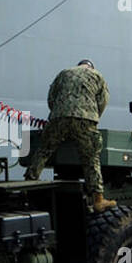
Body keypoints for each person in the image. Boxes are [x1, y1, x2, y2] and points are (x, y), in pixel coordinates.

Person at [22, 60, 115, 211]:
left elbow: (51, 97)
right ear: (91, 67)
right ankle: (98, 199)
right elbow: (102, 101)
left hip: (59, 117)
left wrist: (59, 114)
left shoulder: (64, 73)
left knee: (44, 151)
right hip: (85, 118)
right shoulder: (97, 75)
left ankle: (27, 187)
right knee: (91, 158)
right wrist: (92, 116)